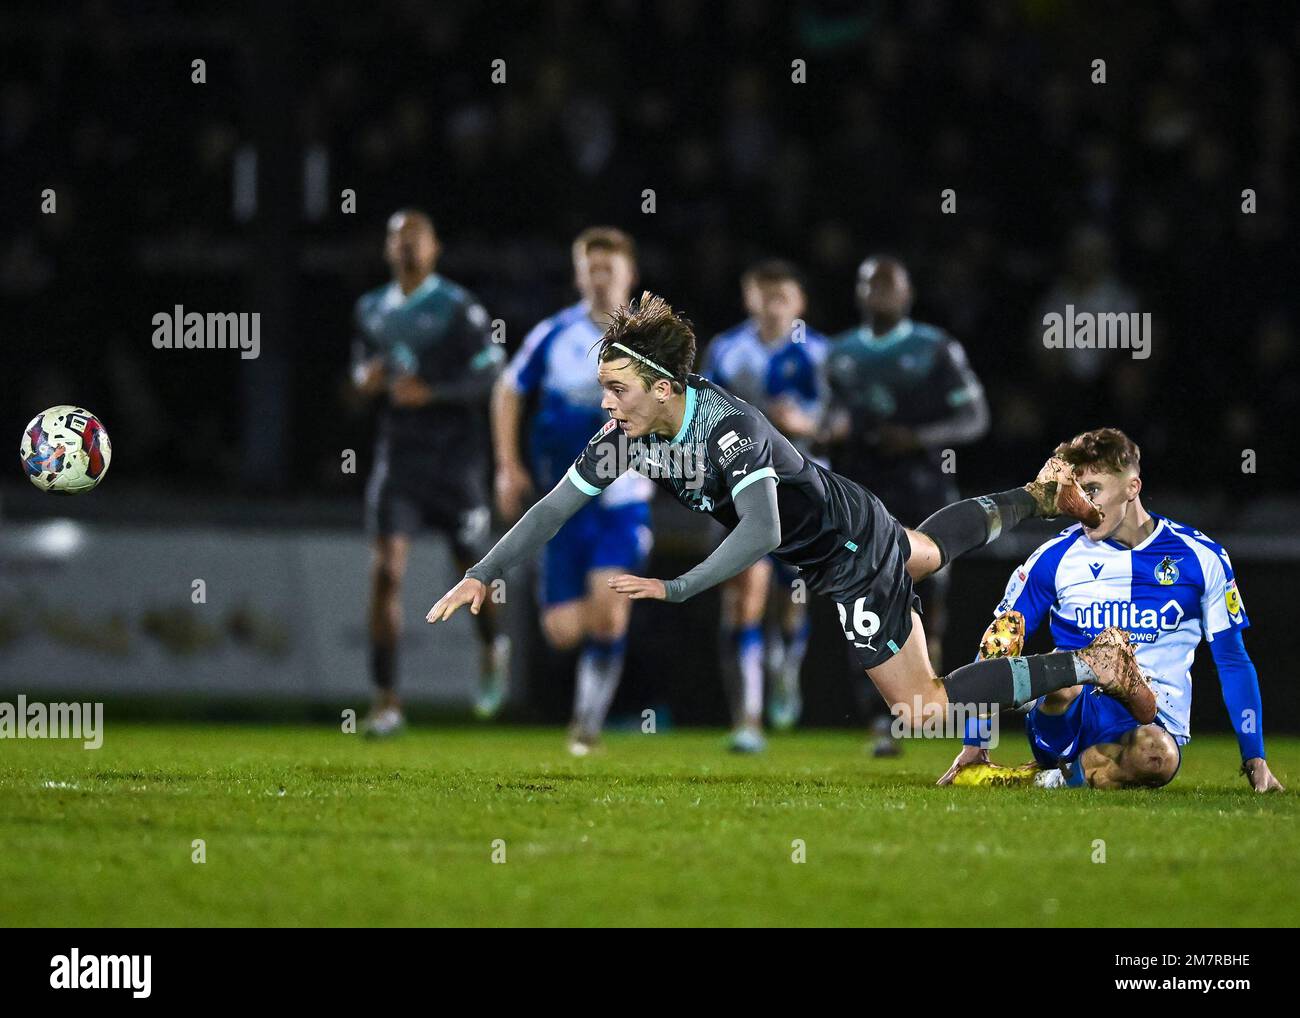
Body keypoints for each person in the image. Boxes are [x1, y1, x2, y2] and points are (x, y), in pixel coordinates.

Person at [428, 294, 1156, 742]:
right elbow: (553, 507)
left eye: (616, 389)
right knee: (926, 551)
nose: (607, 403)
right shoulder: (626, 438)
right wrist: (480, 572)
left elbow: (763, 530)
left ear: (658, 386)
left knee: (924, 710)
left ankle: (1091, 664)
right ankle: (1037, 496)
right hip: (850, 521)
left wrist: (679, 588)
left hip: (843, 554)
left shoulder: (726, 430)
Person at [937, 428, 1284, 792]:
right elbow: (999, 643)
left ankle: (1048, 779)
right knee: (1064, 675)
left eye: (1093, 491)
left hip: (1152, 721)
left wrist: (1254, 757)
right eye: (1073, 494)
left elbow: (1232, 659)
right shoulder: (1054, 558)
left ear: (1132, 488)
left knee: (1157, 758)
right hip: (1067, 713)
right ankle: (1072, 746)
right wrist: (974, 744)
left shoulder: (1202, 558)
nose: (1081, 507)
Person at [492, 228, 654, 755]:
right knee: (562, 631)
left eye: (610, 268)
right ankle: (607, 617)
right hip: (561, 503)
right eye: (591, 267)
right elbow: (508, 390)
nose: (601, 277)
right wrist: (507, 465)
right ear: (578, 274)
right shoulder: (553, 335)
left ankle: (585, 726)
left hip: (621, 500)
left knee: (608, 609)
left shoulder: (651, 342)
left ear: (629, 275)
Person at [352, 209, 507, 736]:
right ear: (386, 250)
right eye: (398, 240)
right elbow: (355, 379)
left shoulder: (457, 307)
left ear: (435, 248)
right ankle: (386, 701)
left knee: (472, 575)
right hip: (399, 460)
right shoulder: (371, 309)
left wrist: (434, 393)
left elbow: (491, 375)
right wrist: (363, 383)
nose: (407, 249)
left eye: (416, 239)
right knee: (385, 573)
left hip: (456, 461)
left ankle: (492, 647)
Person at [826, 255, 989, 754]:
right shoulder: (838, 353)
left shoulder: (936, 348)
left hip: (924, 488)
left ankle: (927, 660)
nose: (879, 293)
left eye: (889, 285)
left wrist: (918, 439)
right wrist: (823, 430)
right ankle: (881, 716)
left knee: (929, 587)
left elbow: (974, 418)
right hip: (864, 493)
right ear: (857, 292)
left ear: (908, 293)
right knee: (865, 596)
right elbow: (825, 416)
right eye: (870, 283)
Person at [701, 260, 830, 749]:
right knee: (742, 600)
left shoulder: (821, 353)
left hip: (801, 492)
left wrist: (807, 423)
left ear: (798, 302)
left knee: (793, 603)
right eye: (763, 295)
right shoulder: (728, 350)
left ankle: (786, 667)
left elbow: (842, 420)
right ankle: (747, 719)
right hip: (740, 491)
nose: (773, 306)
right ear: (748, 296)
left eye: (783, 297)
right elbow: (700, 412)